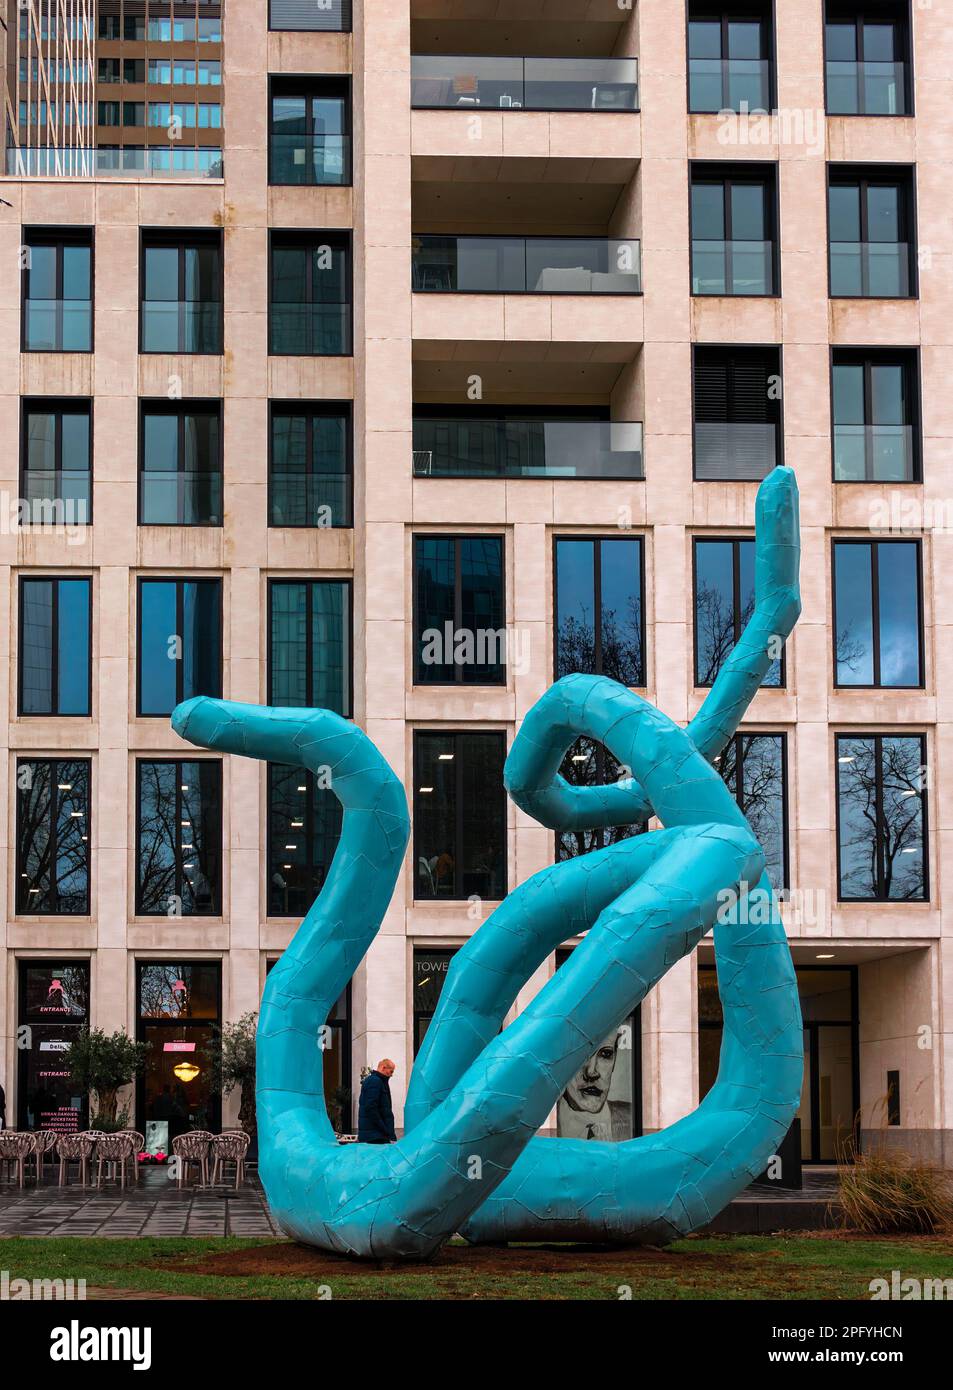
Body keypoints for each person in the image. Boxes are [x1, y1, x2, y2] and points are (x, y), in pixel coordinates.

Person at [357, 1059, 397, 1144]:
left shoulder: (378, 1081)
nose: (391, 1075)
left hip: (375, 1133)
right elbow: (370, 1108)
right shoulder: (375, 1081)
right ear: (383, 1067)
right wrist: (384, 1129)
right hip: (375, 1135)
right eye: (390, 1071)